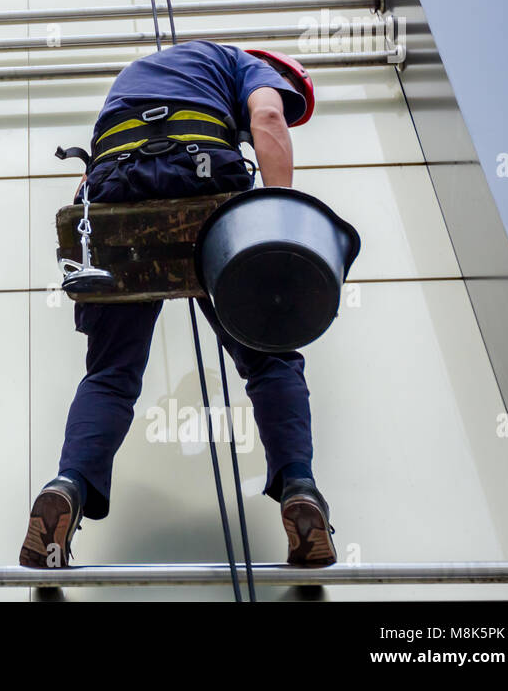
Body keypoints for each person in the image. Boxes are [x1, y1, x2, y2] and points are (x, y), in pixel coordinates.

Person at [19, 40, 338, 569]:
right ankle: (300, 489)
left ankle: (67, 485)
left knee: (110, 374)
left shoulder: (144, 70)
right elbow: (266, 116)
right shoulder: (247, 65)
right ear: (281, 72)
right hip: (200, 177)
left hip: (112, 193)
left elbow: (93, 172)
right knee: (270, 357)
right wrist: (281, 221)